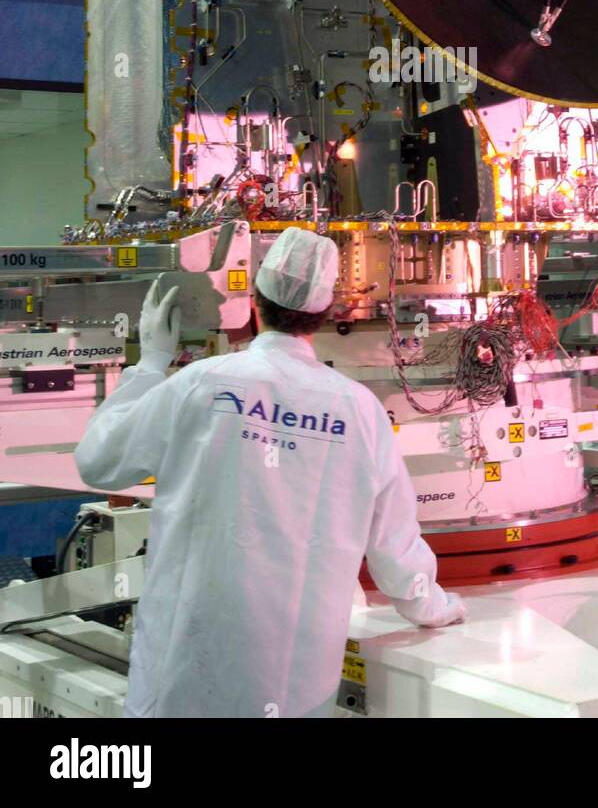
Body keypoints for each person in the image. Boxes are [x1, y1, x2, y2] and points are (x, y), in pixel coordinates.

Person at [75, 226, 465, 718]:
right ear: (325, 313)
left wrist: (151, 362)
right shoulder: (359, 410)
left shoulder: (204, 382)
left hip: (182, 681)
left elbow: (98, 460)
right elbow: (393, 547)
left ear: (254, 300)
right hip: (293, 689)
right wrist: (433, 608)